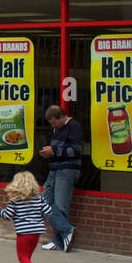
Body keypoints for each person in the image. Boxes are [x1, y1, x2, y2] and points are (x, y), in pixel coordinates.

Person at [0, 171, 53, 263]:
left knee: (22, 257)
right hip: (36, 232)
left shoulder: (15, 200)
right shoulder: (38, 198)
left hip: (23, 233)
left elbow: (7, 215)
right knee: (27, 258)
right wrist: (41, 218)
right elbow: (48, 211)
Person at [39, 105, 81, 252]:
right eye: (51, 123)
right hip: (54, 169)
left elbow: (76, 150)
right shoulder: (57, 128)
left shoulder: (74, 127)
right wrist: (49, 153)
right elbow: (57, 151)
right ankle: (65, 233)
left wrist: (54, 150)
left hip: (67, 170)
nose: (53, 126)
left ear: (62, 117)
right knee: (43, 202)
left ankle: (60, 239)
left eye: (54, 122)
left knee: (61, 205)